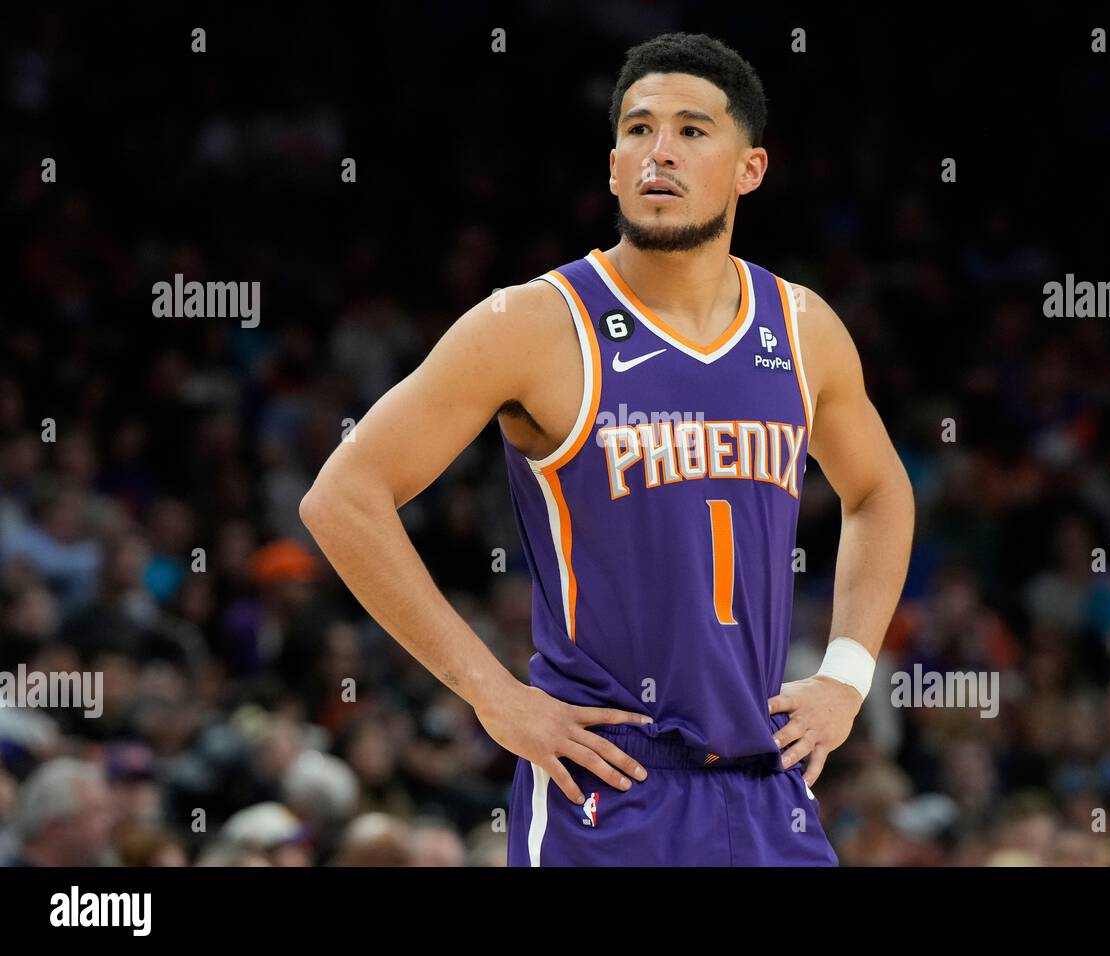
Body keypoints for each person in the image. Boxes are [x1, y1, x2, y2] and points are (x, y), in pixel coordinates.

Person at [301, 32, 914, 865]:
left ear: (750, 169)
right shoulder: (531, 324)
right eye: (637, 129)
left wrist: (846, 675)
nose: (659, 152)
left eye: (693, 130)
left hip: (771, 784)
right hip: (611, 787)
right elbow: (342, 498)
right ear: (614, 162)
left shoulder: (803, 327)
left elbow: (879, 492)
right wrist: (492, 695)